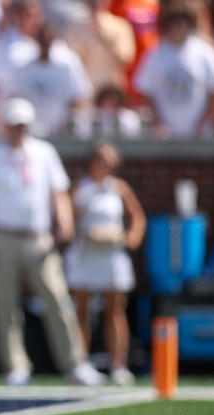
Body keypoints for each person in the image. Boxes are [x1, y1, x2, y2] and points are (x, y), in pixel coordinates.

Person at [0, 96, 106, 387]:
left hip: (39, 236)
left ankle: (75, 364)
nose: (18, 130)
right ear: (4, 126)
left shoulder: (45, 153)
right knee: (6, 305)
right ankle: (16, 366)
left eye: (22, 125)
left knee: (57, 299)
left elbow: (58, 192)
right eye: (13, 125)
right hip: (1, 236)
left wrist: (65, 222)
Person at [64, 142, 146, 386]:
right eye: (102, 160)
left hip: (111, 254)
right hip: (86, 253)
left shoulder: (119, 188)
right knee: (82, 310)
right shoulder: (80, 187)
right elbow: (68, 215)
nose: (106, 165)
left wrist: (131, 238)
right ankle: (80, 364)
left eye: (110, 161)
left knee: (115, 309)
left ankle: (118, 364)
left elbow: (137, 217)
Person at [133, 2, 214, 138]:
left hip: (200, 136)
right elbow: (146, 93)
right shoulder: (155, 53)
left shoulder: (205, 52)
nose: (180, 28)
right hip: (164, 137)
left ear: (191, 25)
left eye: (184, 23)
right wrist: (158, 123)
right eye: (176, 23)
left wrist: (203, 123)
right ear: (168, 26)